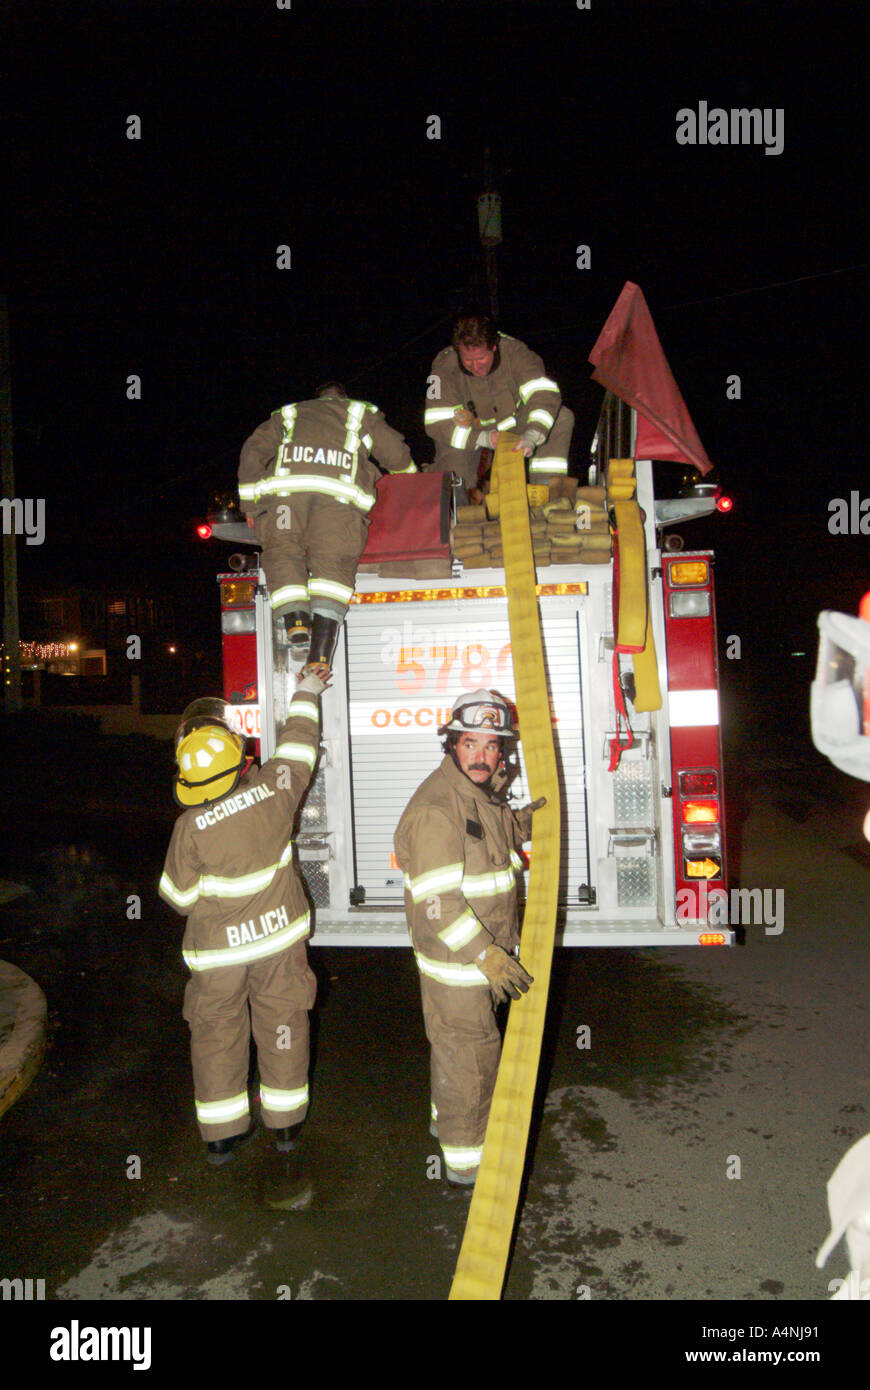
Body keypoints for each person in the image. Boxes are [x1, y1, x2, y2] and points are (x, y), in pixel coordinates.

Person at [158, 673, 327, 1167]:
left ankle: (221, 1136)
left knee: (217, 1033)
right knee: (283, 1024)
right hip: (278, 943)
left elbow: (179, 897)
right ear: (239, 756)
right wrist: (307, 692)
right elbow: (300, 744)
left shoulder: (188, 827)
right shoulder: (275, 788)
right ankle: (287, 1126)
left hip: (218, 957)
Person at [393, 689, 544, 1186]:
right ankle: (467, 1166)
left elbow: (487, 838)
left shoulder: (476, 795)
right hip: (461, 963)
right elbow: (439, 903)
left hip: (475, 961)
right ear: (452, 744)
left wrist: (522, 823)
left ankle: (449, 1121)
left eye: (492, 746)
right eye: (470, 744)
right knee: (471, 1058)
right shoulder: (438, 808)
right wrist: (489, 958)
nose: (482, 756)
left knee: (461, 1056)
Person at [238, 383, 417, 674]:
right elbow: (395, 454)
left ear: (317, 398)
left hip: (286, 498)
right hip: (338, 503)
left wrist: (249, 504)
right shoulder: (360, 414)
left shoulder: (289, 415)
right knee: (332, 569)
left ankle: (296, 623)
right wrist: (412, 479)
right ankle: (320, 653)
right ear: (343, 398)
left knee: (283, 551)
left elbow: (252, 453)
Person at [424, 309, 574, 498]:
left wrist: (533, 433)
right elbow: (435, 423)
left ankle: (549, 495)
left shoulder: (517, 353)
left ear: (494, 347)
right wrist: (481, 438)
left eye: (481, 358)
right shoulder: (442, 368)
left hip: (517, 425)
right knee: (448, 447)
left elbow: (544, 394)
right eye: (467, 360)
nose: (476, 367)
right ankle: (455, 505)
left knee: (562, 417)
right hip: (472, 432)